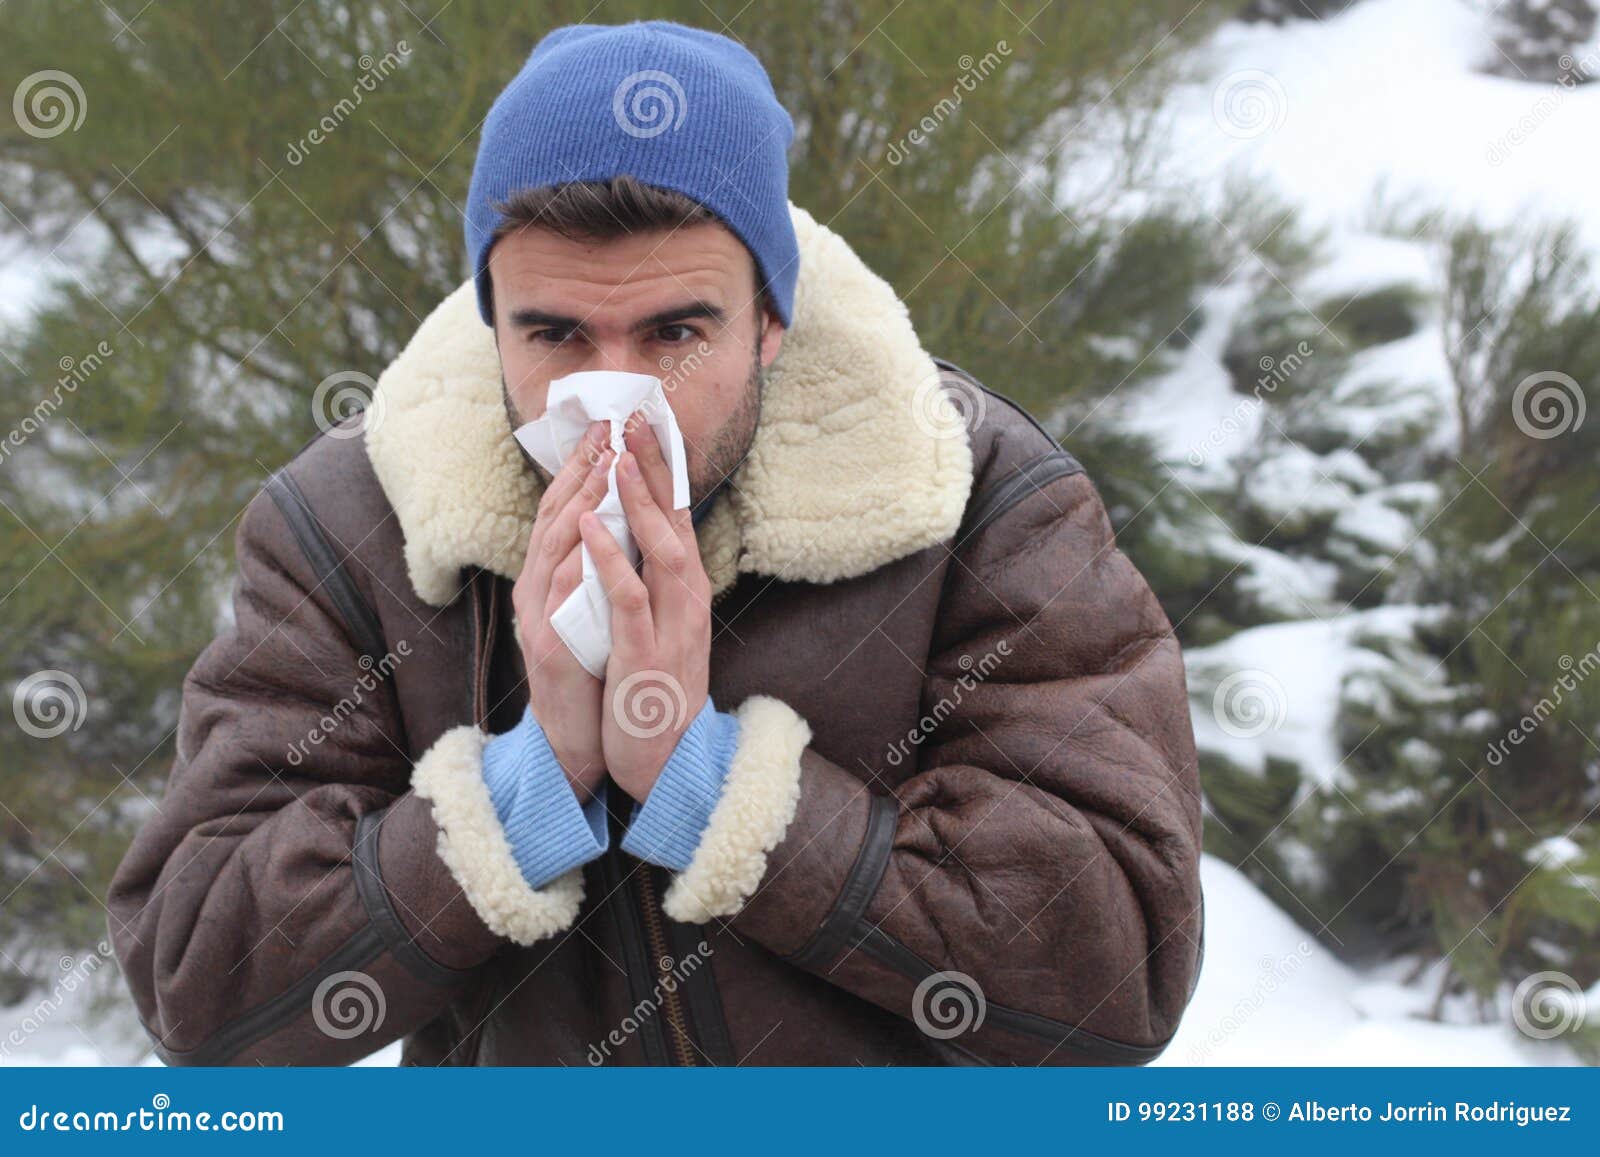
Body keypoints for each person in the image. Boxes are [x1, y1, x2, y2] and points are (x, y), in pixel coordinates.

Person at [106, 18, 1204, 1066]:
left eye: (676, 331)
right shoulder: (350, 523)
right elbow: (198, 990)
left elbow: (1118, 978)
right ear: (492, 320)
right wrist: (528, 786)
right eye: (555, 333)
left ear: (770, 320)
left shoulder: (976, 498)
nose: (616, 400)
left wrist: (710, 783)